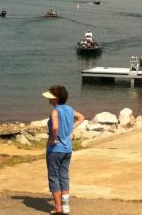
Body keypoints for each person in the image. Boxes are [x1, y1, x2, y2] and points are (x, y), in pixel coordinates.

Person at [43, 85, 85, 215]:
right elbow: (81, 117)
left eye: (51, 97)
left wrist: (52, 139)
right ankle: (66, 207)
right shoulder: (69, 109)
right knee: (64, 176)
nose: (48, 99)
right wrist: (69, 129)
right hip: (67, 149)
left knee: (54, 178)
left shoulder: (55, 111)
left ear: (56, 99)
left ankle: (58, 208)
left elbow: (55, 127)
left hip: (55, 150)